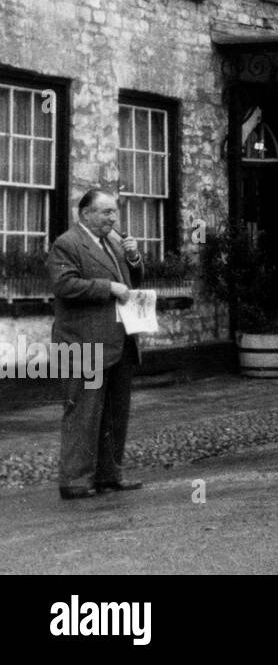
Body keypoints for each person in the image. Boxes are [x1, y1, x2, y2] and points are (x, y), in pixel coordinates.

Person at [46, 189, 145, 500]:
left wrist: (133, 258)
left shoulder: (112, 244)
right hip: (82, 344)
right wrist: (109, 286)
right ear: (85, 214)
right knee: (83, 413)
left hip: (118, 342)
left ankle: (108, 476)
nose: (113, 218)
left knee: (115, 413)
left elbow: (131, 284)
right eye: (106, 212)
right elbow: (64, 285)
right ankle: (75, 481)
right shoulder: (67, 243)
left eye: (114, 212)